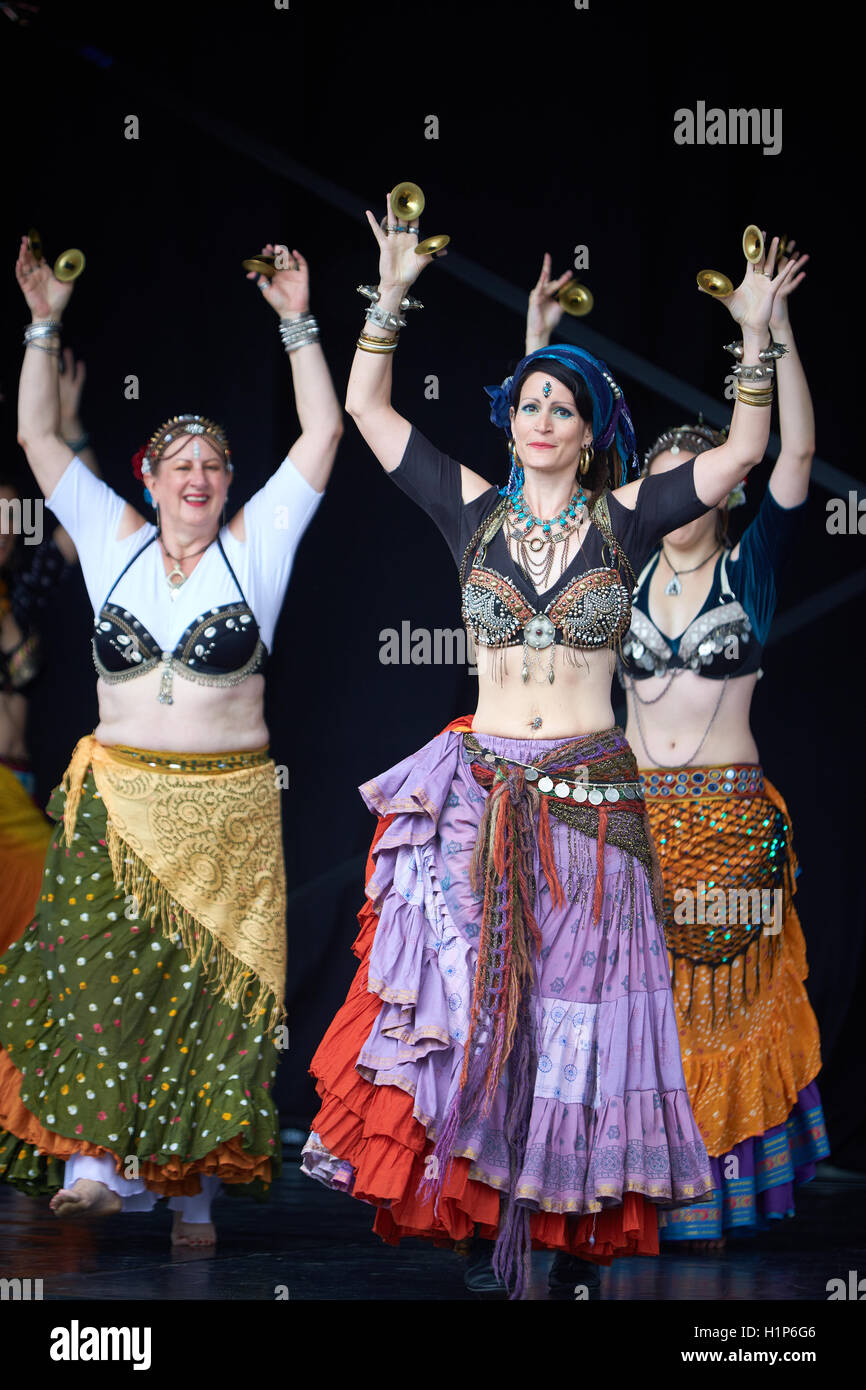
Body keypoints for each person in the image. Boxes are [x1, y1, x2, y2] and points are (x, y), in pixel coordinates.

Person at [301, 203, 798, 1298]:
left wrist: (755, 339)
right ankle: (485, 1217)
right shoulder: (468, 510)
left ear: (587, 431)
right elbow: (365, 406)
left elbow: (748, 449)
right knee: (479, 1012)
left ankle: (560, 1229)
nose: (535, 417)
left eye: (557, 405)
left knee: (569, 1022)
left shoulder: (625, 519)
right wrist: (387, 294)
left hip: (587, 797)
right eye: (525, 401)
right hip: (481, 792)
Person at [0, 236, 342, 1246]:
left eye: (213, 465)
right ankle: (101, 1166)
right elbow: (35, 432)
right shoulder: (112, 539)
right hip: (118, 802)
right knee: (102, 980)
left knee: (205, 999)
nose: (196, 477)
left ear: (230, 483)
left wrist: (297, 320)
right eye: (178, 464)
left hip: (225, 809)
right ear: (147, 479)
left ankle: (189, 1188)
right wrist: (43, 321)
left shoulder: (257, 545)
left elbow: (323, 429)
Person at [610, 242, 828, 1247]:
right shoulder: (619, 581)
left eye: (696, 480)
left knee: (718, 1009)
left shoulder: (749, 572)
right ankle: (632, 1191)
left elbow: (789, 458)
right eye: (663, 483)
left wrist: (769, 332)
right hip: (634, 820)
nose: (680, 498)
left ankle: (712, 1200)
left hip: (729, 824)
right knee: (636, 1014)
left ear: (719, 490)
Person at [0, 349, 95, 955]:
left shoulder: (20, 595)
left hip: (22, 779)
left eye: (10, 515)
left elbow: (82, 525)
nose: (3, 526)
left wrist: (69, 429)